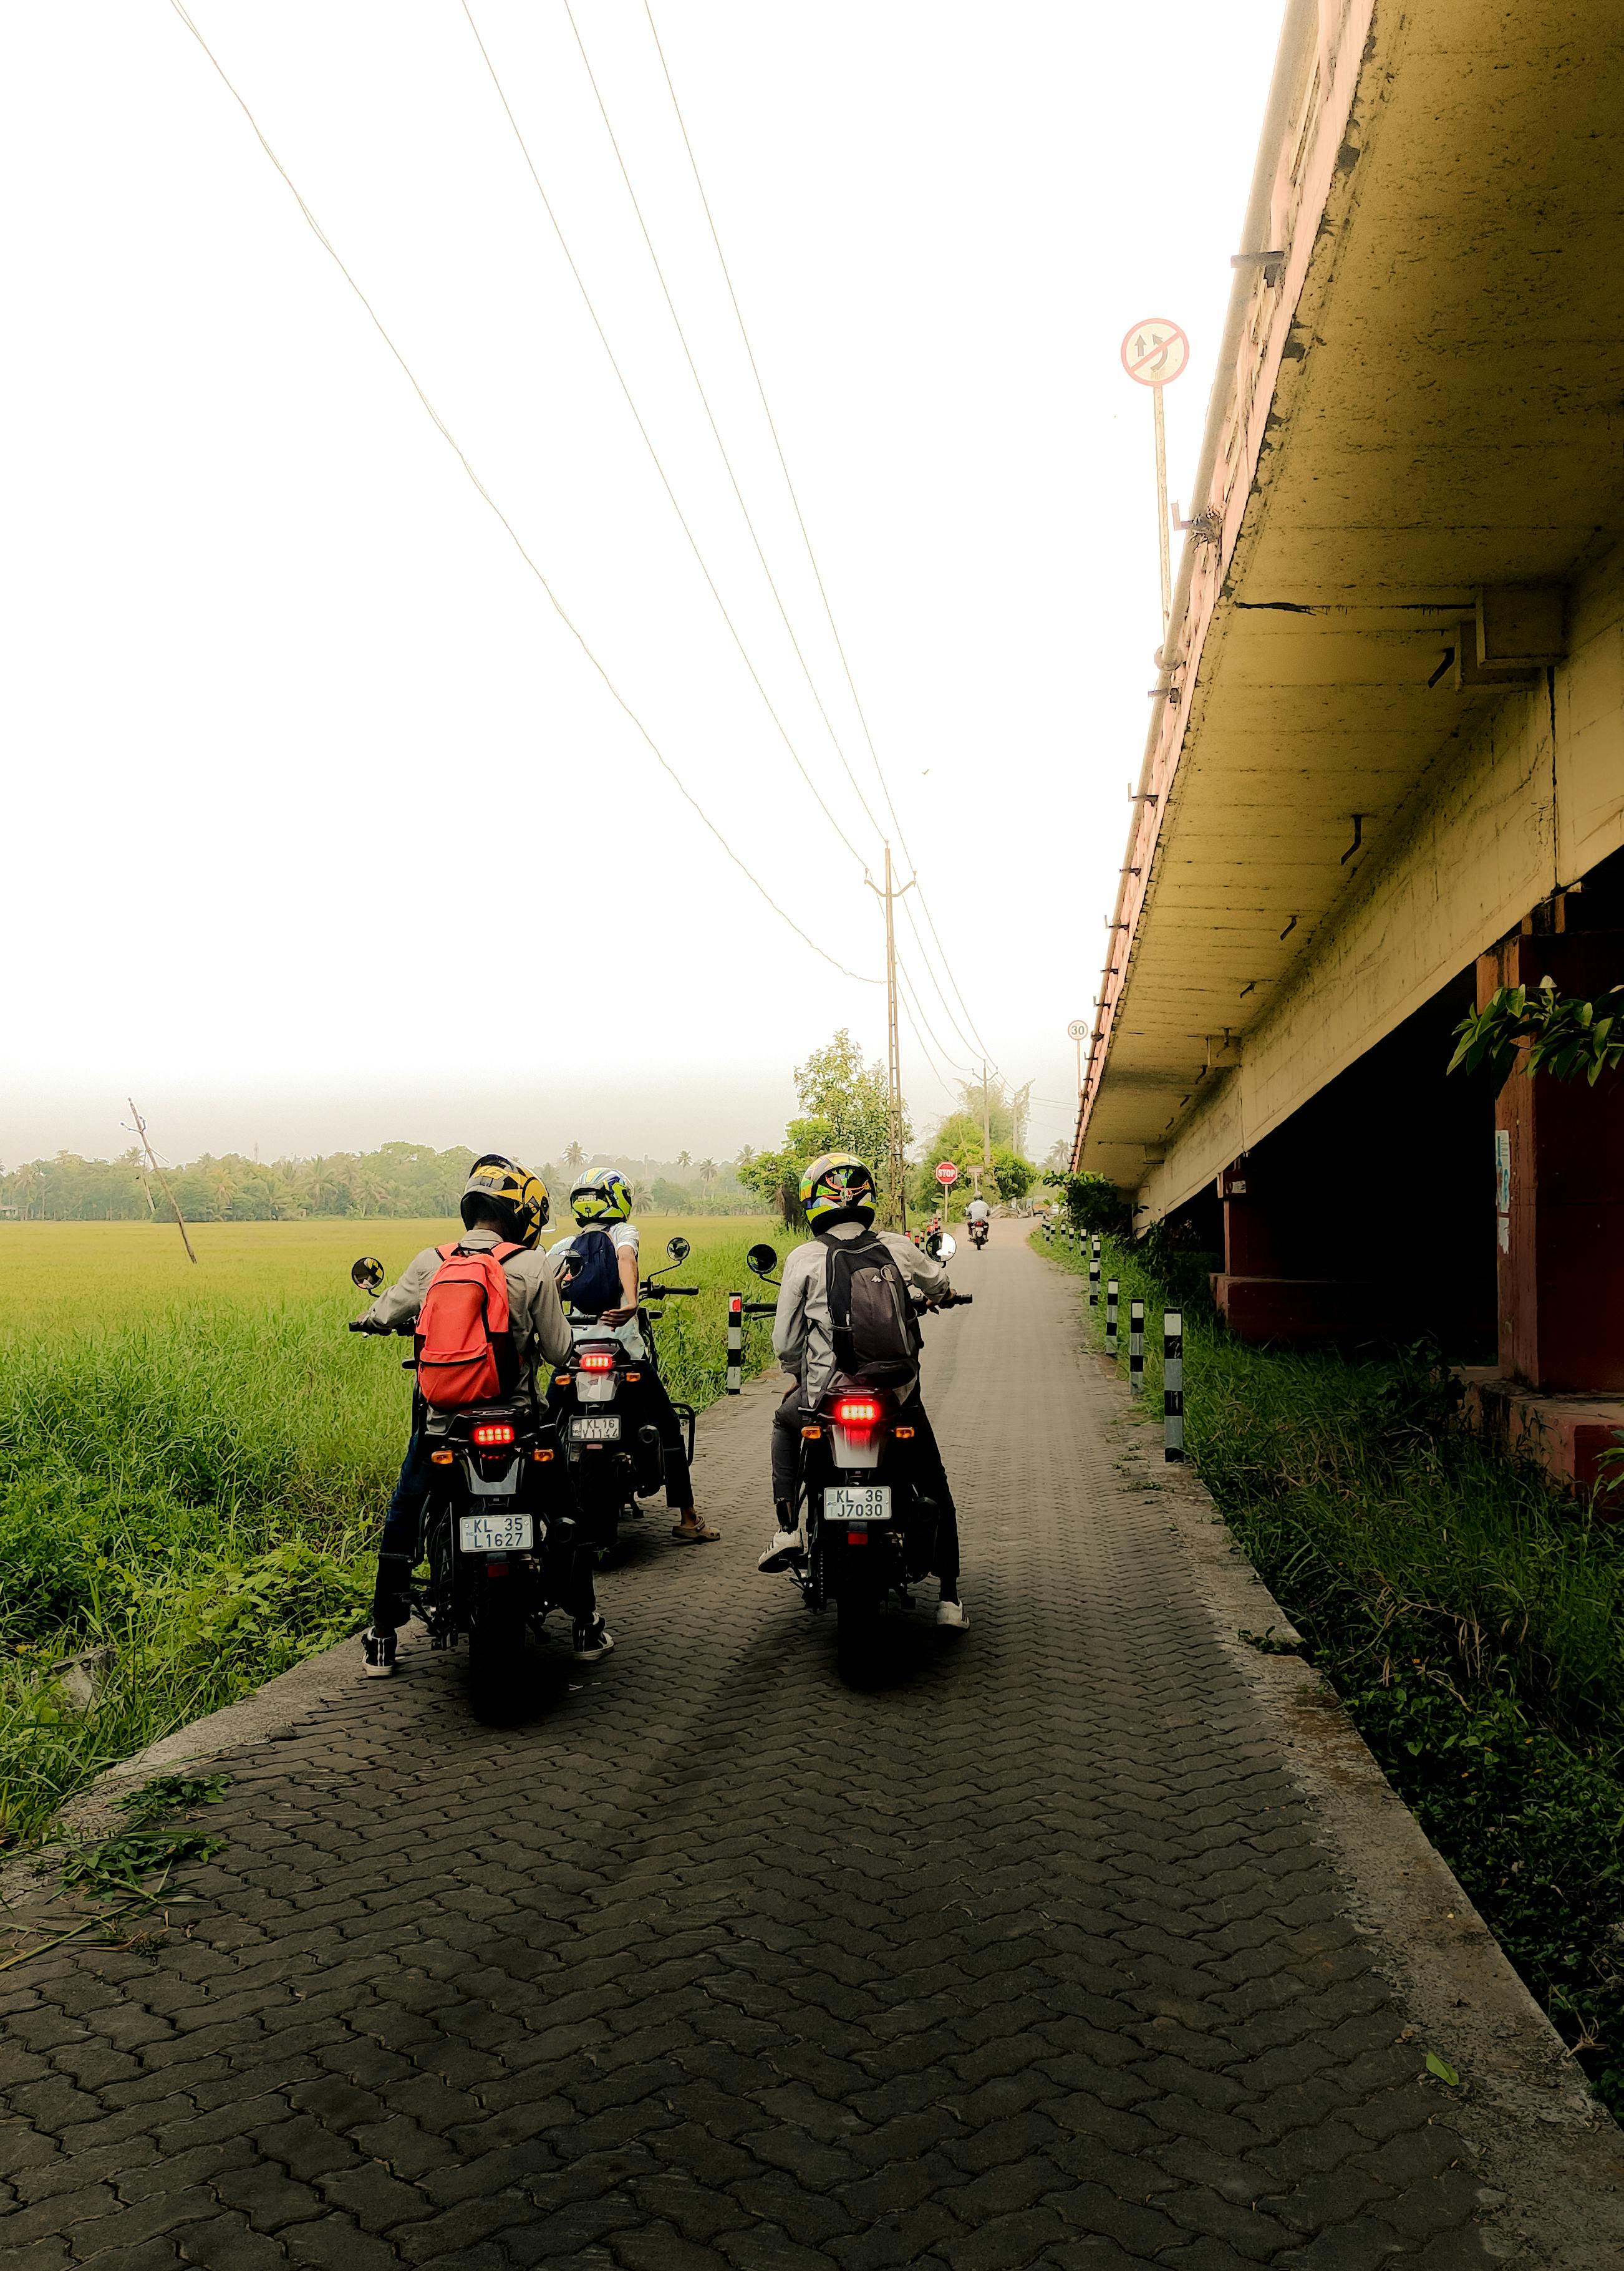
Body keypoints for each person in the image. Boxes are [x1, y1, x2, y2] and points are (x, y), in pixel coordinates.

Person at [354, 1155, 611, 1677]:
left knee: (405, 1511)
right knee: (564, 1511)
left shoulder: (433, 1261)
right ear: (522, 1215)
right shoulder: (534, 1265)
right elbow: (562, 1351)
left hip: (446, 1423)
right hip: (518, 1419)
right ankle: (585, 1624)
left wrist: (372, 1319)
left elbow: (385, 1311)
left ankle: (383, 1636)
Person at [757, 1151, 967, 1627]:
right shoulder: (896, 1246)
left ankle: (789, 1526)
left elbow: (786, 1341)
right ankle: (950, 1597)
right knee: (932, 1479)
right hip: (894, 1396)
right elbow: (938, 1284)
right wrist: (945, 1295)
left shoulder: (804, 1258)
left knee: (783, 1421)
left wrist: (799, 1374)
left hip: (827, 1398)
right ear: (867, 1197)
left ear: (815, 1201)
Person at [548, 1169, 718, 1544]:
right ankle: (688, 1517)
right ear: (618, 1199)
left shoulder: (563, 1246)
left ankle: (539, 1513)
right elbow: (627, 1259)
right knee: (667, 1422)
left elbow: (545, 1290)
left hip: (573, 1353)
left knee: (544, 1426)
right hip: (622, 1350)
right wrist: (631, 1302)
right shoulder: (622, 1233)